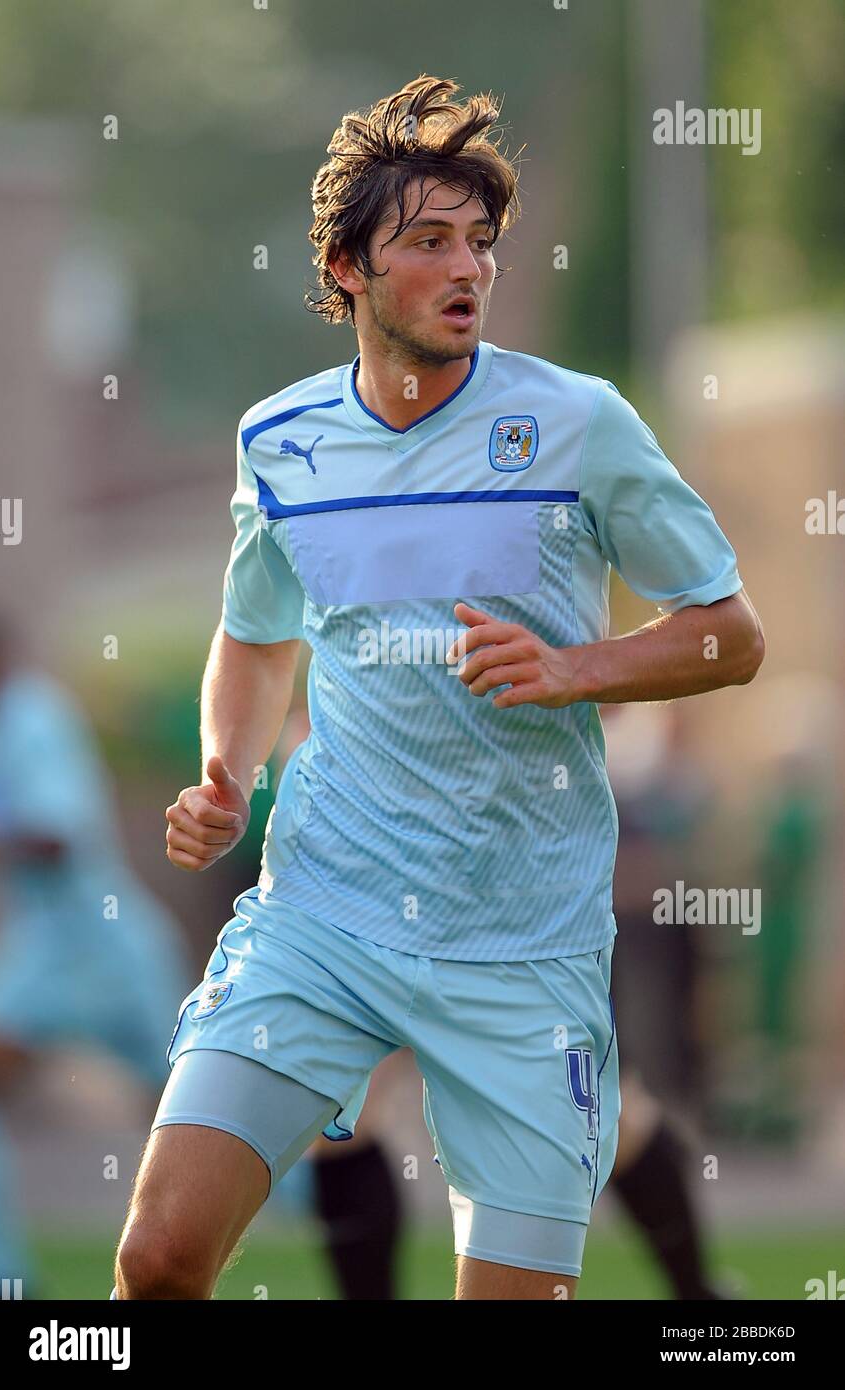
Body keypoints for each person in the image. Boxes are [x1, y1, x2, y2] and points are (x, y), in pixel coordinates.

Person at [114, 74, 764, 1302]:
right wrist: (226, 772)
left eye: (480, 243)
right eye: (426, 243)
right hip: (323, 911)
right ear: (351, 271)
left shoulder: (581, 424)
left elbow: (729, 635)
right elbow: (255, 639)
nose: (465, 267)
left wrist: (577, 666)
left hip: (521, 945)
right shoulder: (281, 443)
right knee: (155, 1259)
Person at [0, 617, 188, 1294]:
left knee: (195, 1111)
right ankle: (1, 1277)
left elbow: (57, 837)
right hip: (41, 949)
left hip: (108, 943)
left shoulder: (33, 716)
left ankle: (334, 1199)